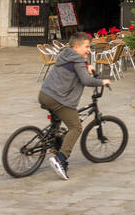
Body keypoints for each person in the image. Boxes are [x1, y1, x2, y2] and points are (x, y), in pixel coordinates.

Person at [39, 32, 110, 180]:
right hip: (58, 99)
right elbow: (86, 81)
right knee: (76, 127)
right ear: (76, 47)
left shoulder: (66, 54)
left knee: (58, 119)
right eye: (86, 47)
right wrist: (102, 82)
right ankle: (61, 158)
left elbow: (76, 67)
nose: (89, 50)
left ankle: (54, 140)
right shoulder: (78, 60)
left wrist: (86, 66)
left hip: (44, 94)